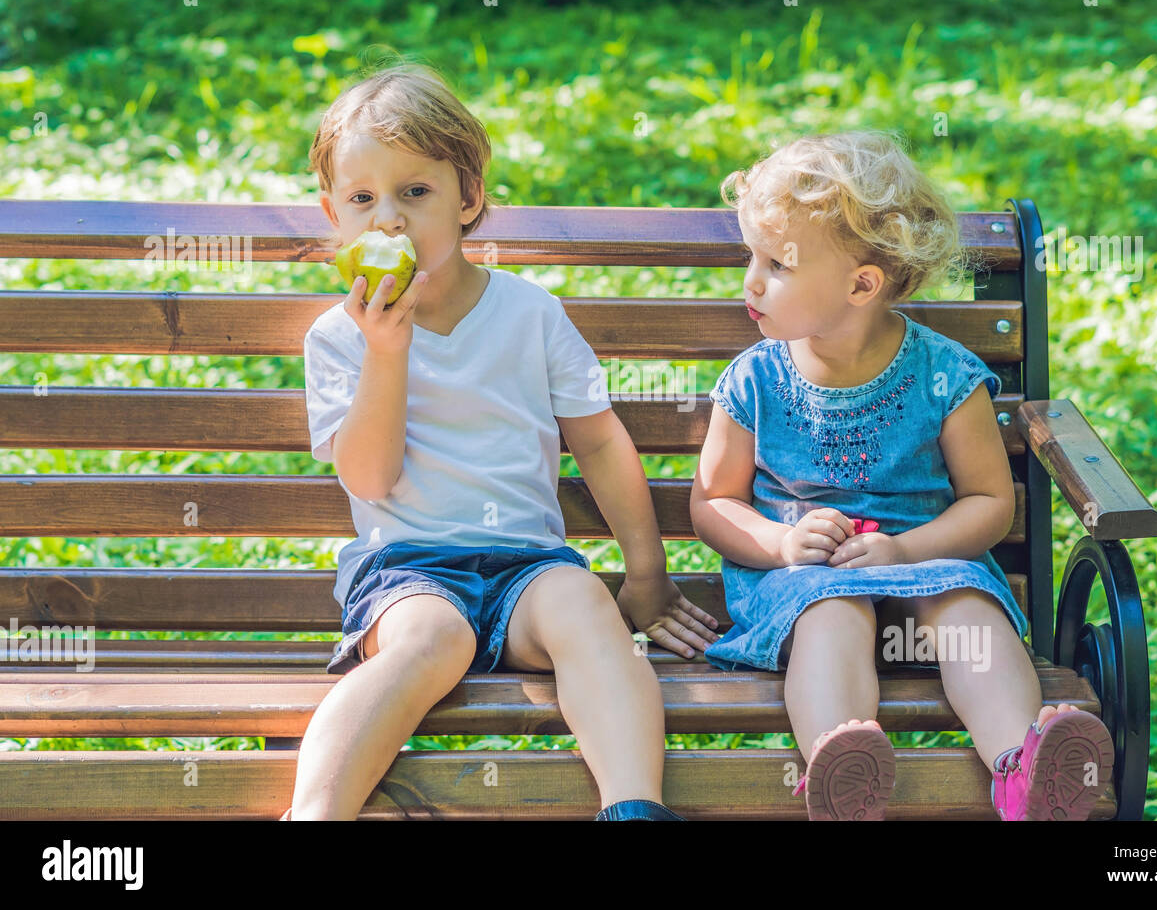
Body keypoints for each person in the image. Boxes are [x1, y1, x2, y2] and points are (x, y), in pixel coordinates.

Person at [290, 62, 718, 821]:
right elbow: (370, 479)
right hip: (406, 571)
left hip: (528, 566)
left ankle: (634, 809)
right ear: (335, 215)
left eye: (414, 192)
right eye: (363, 200)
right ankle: (318, 813)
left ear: (469, 199)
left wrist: (645, 572)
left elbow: (600, 442)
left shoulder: (530, 314)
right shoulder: (339, 339)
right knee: (434, 639)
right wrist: (386, 356)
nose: (388, 220)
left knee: (587, 608)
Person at [690, 131, 1114, 821]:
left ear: (862, 284)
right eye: (752, 257)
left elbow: (987, 502)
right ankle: (844, 775)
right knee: (832, 615)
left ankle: (1023, 768)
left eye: (778, 264)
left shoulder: (944, 375)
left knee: (969, 615)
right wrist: (781, 543)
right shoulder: (755, 380)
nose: (752, 280)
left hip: (928, 565)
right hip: (809, 579)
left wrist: (906, 551)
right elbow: (713, 503)